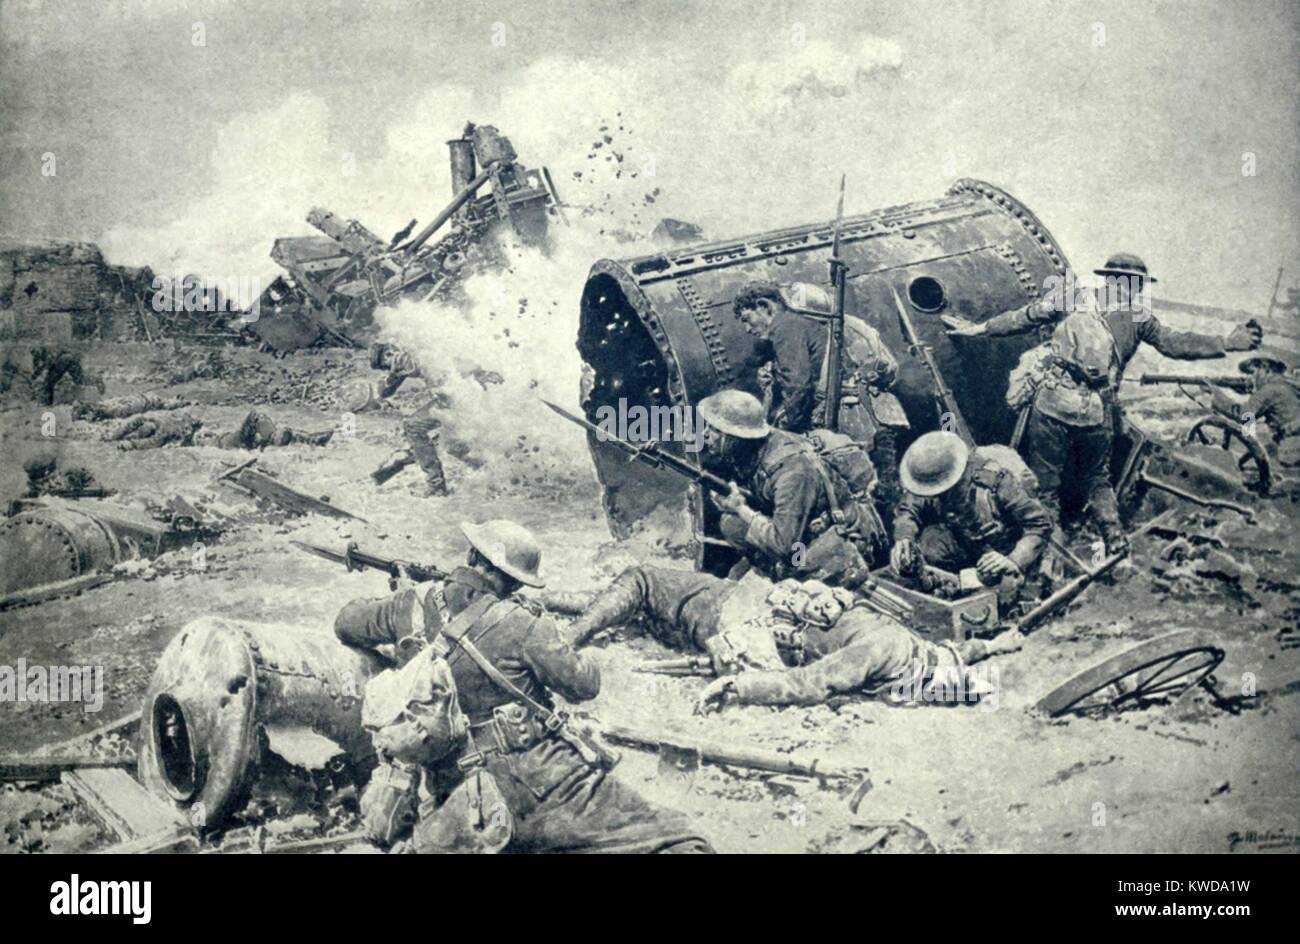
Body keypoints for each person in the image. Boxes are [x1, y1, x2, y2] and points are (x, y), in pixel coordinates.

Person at [335, 519, 712, 854]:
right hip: (545, 786)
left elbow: (346, 622)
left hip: (460, 796)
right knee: (678, 836)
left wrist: (406, 635)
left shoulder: (410, 606)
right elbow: (584, 685)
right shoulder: (524, 622)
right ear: (515, 580)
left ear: (471, 555)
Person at [943, 253, 1262, 551]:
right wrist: (1227, 342)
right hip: (1097, 410)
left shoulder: (1072, 299)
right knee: (1098, 480)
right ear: (1132, 285)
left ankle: (1054, 546)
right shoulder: (1139, 318)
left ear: (1110, 279)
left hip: (1053, 404)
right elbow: (1175, 344)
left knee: (1047, 481)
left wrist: (977, 329)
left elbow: (1022, 319)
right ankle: (1114, 537)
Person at [686, 576, 1023, 711]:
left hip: (920, 688)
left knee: (996, 692)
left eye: (817, 599)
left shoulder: (869, 646)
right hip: (932, 665)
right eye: (801, 603)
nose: (816, 606)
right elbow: (950, 652)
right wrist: (994, 646)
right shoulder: (862, 613)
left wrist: (737, 686)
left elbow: (807, 685)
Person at [733, 281, 908, 510]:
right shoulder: (821, 326)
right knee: (886, 494)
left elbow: (797, 385)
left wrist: (786, 434)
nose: (748, 329)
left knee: (863, 502)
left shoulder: (786, 326)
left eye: (747, 319)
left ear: (765, 306)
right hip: (878, 416)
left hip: (854, 424)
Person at [698, 388, 884, 586]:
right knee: (732, 524)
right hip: (804, 532)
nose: (705, 434)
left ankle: (792, 572)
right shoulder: (762, 447)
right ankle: (779, 568)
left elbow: (785, 544)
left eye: (715, 430)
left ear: (735, 437)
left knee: (742, 525)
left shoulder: (793, 472)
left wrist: (740, 508)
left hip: (834, 542)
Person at [890, 432, 1051, 601]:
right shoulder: (930, 477)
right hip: (966, 541)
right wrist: (903, 538)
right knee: (930, 541)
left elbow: (1039, 525)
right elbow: (908, 508)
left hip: (1002, 549)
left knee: (1006, 590)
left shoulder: (996, 481)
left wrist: (1013, 560)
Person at [367, 342, 448, 496]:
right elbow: (384, 392)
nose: (387, 368)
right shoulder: (402, 358)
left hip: (459, 395)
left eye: (385, 365)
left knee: (413, 426)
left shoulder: (407, 353)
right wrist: (394, 374)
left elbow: (412, 365)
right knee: (453, 443)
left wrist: (400, 367)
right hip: (452, 396)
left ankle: (436, 485)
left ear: (388, 353)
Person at [1211, 354, 1300, 468]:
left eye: (1253, 373)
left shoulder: (1270, 389)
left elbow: (1244, 416)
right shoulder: (1285, 385)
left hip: (1292, 449)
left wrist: (1216, 396)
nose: (1252, 379)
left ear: (1265, 368)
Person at [214, 408, 334, 449]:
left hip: (242, 442)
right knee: (255, 417)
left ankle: (310, 439)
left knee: (285, 432)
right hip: (232, 443)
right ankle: (276, 437)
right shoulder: (214, 441)